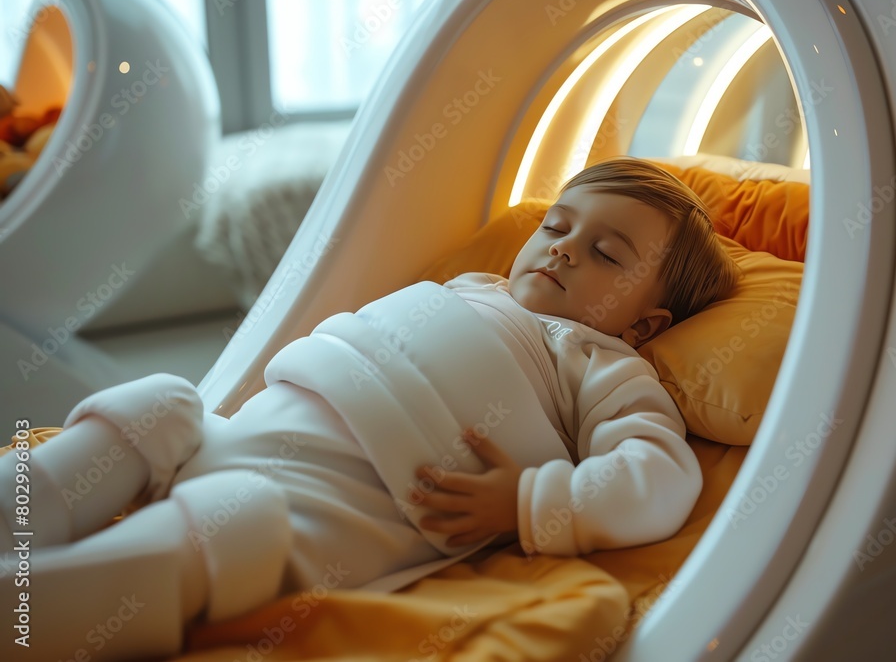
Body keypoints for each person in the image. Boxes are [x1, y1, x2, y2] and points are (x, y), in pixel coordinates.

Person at [0, 157, 741, 661]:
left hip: (311, 517)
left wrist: (528, 502)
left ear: (645, 324)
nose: (564, 249)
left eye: (607, 254)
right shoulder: (471, 287)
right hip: (232, 439)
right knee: (163, 400)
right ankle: (19, 517)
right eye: (556, 225)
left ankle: (30, 612)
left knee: (242, 508)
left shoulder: (600, 361)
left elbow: (658, 475)